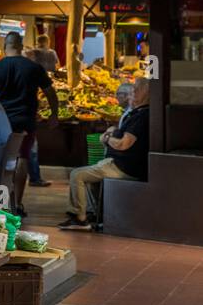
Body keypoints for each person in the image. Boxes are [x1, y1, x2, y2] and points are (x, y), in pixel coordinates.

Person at [60, 77, 150, 231]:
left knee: (77, 174)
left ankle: (79, 219)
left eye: (137, 89)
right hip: (118, 163)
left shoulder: (142, 116)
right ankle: (98, 215)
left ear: (147, 94)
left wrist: (108, 139)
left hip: (123, 167)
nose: (132, 92)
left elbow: (123, 144)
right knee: (93, 180)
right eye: (133, 89)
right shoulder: (137, 113)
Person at [0, 32, 60, 200]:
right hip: (26, 121)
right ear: (21, 46)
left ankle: (2, 202)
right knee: (22, 158)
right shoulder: (34, 68)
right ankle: (18, 203)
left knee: (3, 160)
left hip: (0, 122)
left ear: (5, 47)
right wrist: (54, 114)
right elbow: (50, 93)